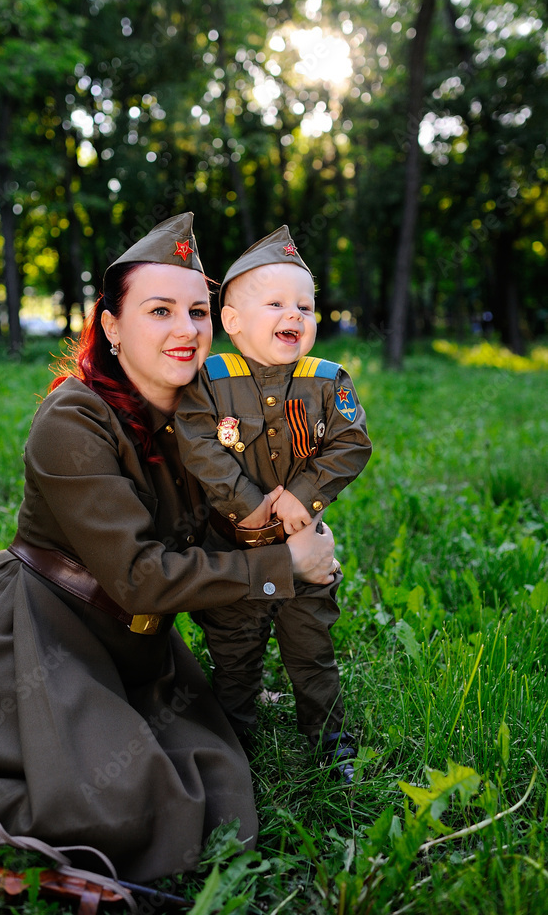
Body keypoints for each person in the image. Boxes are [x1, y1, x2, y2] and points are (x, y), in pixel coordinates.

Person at [0, 213, 340, 883]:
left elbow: (221, 545)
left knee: (220, 782)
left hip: (138, 648)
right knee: (119, 809)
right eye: (160, 311)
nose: (186, 331)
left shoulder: (203, 418)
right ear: (112, 327)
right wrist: (284, 568)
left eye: (197, 311)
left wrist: (295, 533)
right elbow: (137, 577)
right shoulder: (72, 419)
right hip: (41, 635)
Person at [174, 226, 372, 779]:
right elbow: (196, 441)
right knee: (234, 648)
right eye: (278, 303)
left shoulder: (327, 382)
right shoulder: (210, 380)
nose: (296, 315)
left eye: (305, 306)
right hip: (233, 547)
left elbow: (351, 442)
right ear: (233, 322)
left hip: (303, 549)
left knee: (311, 649)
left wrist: (303, 497)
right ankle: (234, 734)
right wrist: (249, 502)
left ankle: (329, 737)